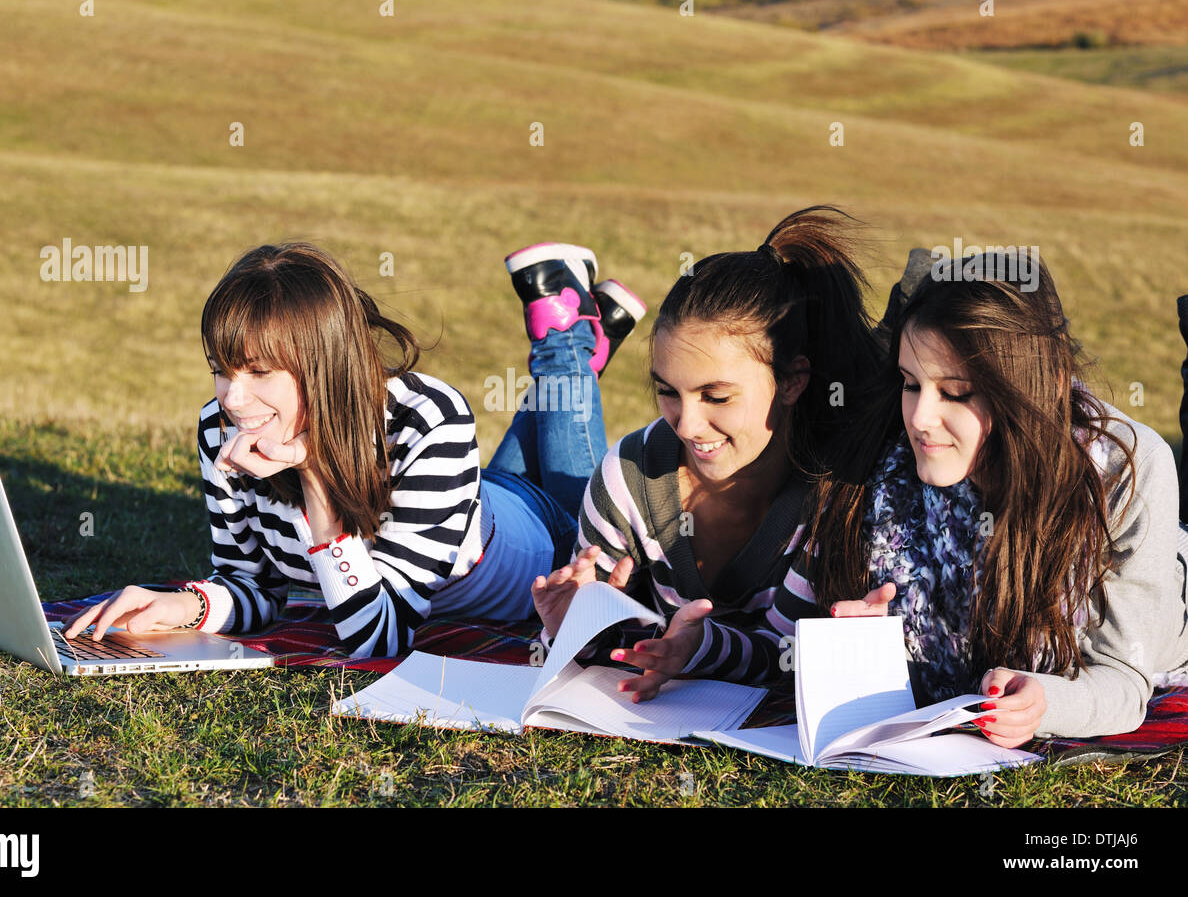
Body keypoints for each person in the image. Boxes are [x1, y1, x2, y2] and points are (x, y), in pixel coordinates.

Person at [65, 240, 647, 658]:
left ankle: (565, 332)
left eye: (261, 372)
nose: (234, 399)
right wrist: (182, 606)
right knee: (554, 414)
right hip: (456, 503)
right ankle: (587, 335)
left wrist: (314, 484)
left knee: (583, 517)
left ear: (324, 364)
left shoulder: (429, 421)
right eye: (222, 370)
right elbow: (254, 587)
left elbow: (381, 636)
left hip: (535, 537)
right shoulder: (220, 429)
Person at [804, 249, 1188, 745]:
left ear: (1026, 389)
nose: (919, 417)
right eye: (910, 383)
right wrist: (871, 647)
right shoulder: (887, 468)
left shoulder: (1123, 470)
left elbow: (1124, 676)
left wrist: (1045, 703)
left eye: (956, 392)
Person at [531, 205, 884, 701]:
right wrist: (569, 627)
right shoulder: (626, 477)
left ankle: (568, 342)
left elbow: (791, 657)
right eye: (668, 392)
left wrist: (698, 649)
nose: (689, 426)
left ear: (792, 381)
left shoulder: (834, 494)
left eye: (716, 396)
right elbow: (597, 654)